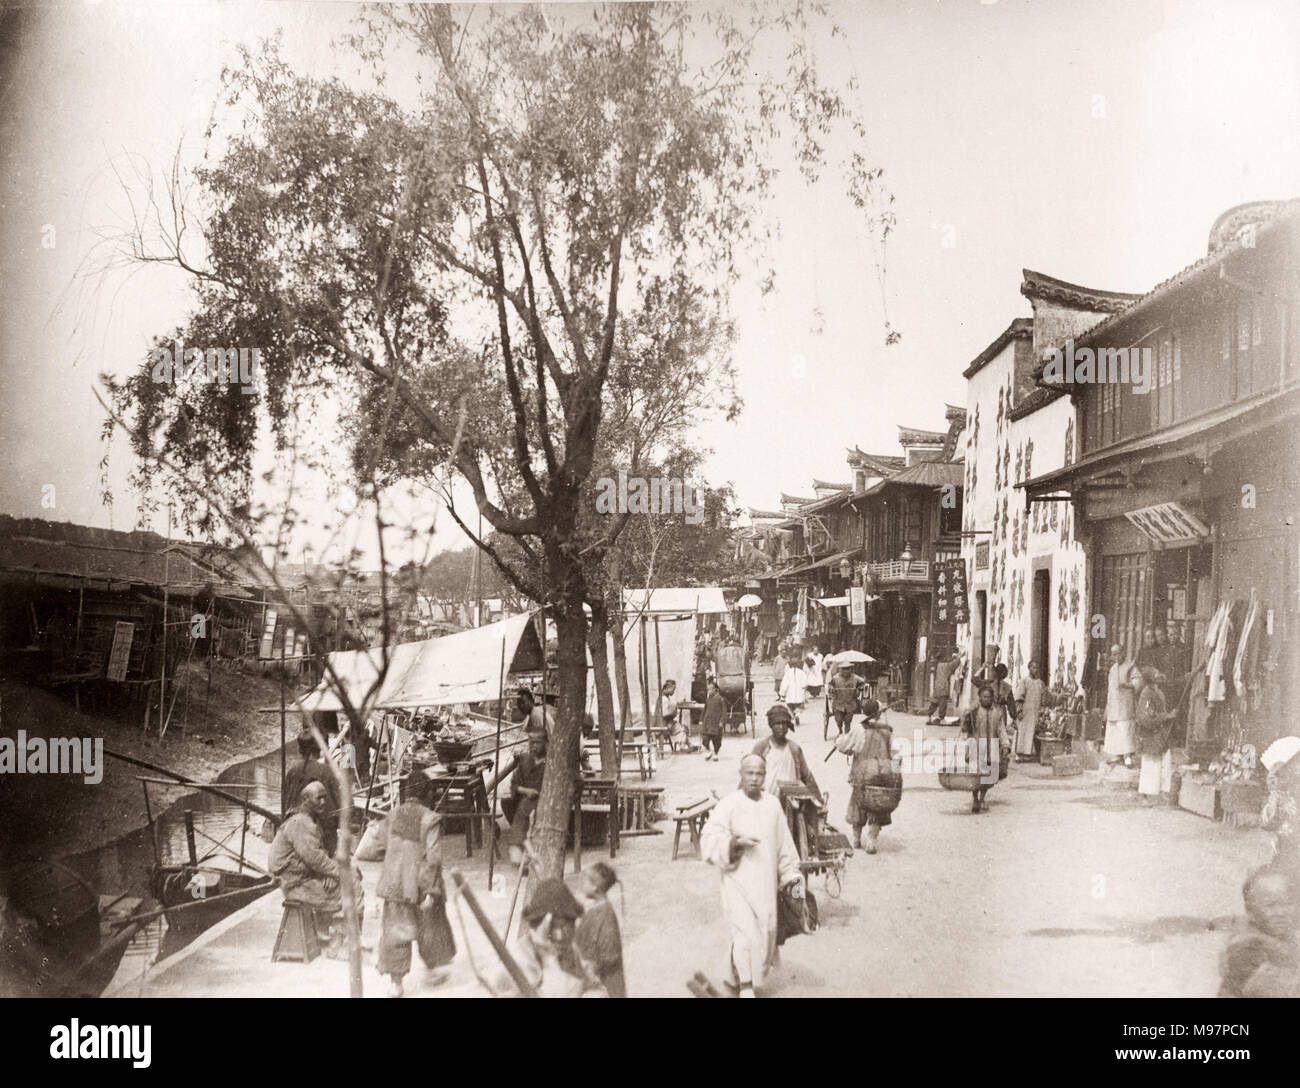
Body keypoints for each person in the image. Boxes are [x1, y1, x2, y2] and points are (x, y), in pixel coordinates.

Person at [699, 754, 804, 997]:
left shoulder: (772, 805)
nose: (755, 779)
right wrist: (733, 844)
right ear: (741, 774)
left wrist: (792, 877)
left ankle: (734, 977)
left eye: (759, 774)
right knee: (745, 935)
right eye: (750, 773)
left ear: (765, 776)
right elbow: (709, 838)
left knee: (765, 934)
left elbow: (785, 846)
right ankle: (746, 986)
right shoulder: (729, 804)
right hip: (737, 882)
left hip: (766, 884)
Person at [373, 779, 456, 997]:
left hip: (393, 885)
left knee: (395, 932)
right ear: (428, 794)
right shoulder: (430, 818)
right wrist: (430, 891)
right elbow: (433, 858)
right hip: (418, 884)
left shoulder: (392, 815)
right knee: (430, 926)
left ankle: (396, 985)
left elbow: (380, 841)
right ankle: (431, 970)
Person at [268, 781, 357, 955]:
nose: (324, 802)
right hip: (294, 884)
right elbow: (316, 859)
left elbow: (318, 856)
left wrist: (330, 874)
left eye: (325, 797)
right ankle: (336, 947)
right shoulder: (301, 822)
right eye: (319, 798)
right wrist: (341, 873)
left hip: (303, 878)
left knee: (343, 880)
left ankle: (329, 935)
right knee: (352, 888)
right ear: (305, 800)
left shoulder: (308, 819)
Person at [494, 878, 603, 997]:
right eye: (553, 928)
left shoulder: (571, 952)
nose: (560, 936)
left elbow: (592, 985)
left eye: (566, 927)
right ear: (538, 926)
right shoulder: (519, 960)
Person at [1218, 866, 1299, 998]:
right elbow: (1283, 991)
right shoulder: (1245, 948)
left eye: (1287, 904)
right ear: (1251, 912)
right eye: (1271, 905)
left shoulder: (1291, 940)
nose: (1281, 912)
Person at [833, 698, 899, 854]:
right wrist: (894, 775)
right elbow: (895, 754)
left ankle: (856, 839)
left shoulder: (858, 729)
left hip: (862, 773)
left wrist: (838, 742)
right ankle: (871, 841)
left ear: (864, 712)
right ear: (878, 713)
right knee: (876, 806)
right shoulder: (887, 730)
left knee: (858, 804)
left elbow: (845, 746)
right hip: (882, 774)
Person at [281, 731, 343, 855]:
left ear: (299, 749)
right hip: (322, 831)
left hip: (294, 827)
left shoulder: (292, 772)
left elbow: (284, 802)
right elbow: (338, 804)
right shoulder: (326, 771)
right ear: (318, 748)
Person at [575, 862, 626, 998]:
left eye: (585, 880)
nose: (581, 883)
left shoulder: (606, 914)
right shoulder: (595, 909)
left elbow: (610, 953)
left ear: (595, 886)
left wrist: (591, 969)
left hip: (605, 983)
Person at [960, 683, 1011, 813]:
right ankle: (975, 798)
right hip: (977, 748)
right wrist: (965, 718)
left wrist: (1005, 744)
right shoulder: (974, 712)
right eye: (984, 697)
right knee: (975, 775)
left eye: (989, 697)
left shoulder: (997, 713)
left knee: (988, 776)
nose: (987, 699)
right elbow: (965, 728)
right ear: (980, 698)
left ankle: (982, 798)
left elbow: (1001, 730)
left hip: (991, 748)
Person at [752, 703, 821, 799]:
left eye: (784, 724)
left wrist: (818, 801)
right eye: (777, 724)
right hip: (766, 800)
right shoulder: (761, 747)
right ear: (771, 725)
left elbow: (807, 777)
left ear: (788, 726)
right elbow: (749, 773)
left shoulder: (794, 749)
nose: (781, 727)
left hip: (791, 801)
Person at [502, 730, 548, 865]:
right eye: (531, 742)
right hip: (526, 797)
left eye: (537, 743)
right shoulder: (525, 759)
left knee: (524, 809)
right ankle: (521, 845)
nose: (533, 746)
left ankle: (519, 849)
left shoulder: (550, 761)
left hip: (543, 798)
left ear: (546, 743)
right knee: (507, 802)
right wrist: (526, 790)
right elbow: (514, 784)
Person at [1135, 668, 1177, 802]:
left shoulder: (1158, 691)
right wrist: (1166, 716)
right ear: (1151, 679)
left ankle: (1164, 792)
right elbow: (1145, 717)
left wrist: (1168, 715)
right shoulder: (1146, 694)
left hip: (1160, 733)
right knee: (1150, 764)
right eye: (1156, 674)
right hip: (1151, 734)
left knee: (1166, 761)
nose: (1159, 675)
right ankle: (1144, 796)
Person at [1261, 738, 1300, 879]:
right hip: (1287, 839)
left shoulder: (1283, 794)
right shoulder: (1281, 793)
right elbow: (1269, 823)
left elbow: (1269, 823)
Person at [1104, 644, 1140, 768]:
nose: (1115, 656)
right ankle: (1116, 755)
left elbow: (1138, 682)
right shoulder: (1113, 669)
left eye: (1117, 653)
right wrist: (1107, 707)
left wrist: (1127, 684)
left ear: (1123, 653)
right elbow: (1110, 689)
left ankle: (1127, 756)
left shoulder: (1130, 667)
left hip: (1125, 704)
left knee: (1125, 730)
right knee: (1114, 730)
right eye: (1113, 654)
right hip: (1114, 704)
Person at [1013, 660, 1046, 761]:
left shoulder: (1041, 683)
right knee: (1022, 732)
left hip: (1035, 712)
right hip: (1025, 712)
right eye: (1033, 667)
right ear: (1029, 668)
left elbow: (1045, 698)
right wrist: (1019, 711)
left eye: (1037, 668)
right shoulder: (1024, 681)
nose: (1035, 670)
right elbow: (1019, 697)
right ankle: (1019, 754)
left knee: (1031, 732)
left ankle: (1028, 754)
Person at [827, 661, 865, 735]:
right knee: (839, 720)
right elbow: (830, 685)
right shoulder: (835, 678)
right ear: (840, 669)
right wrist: (831, 689)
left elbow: (862, 683)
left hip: (850, 703)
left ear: (851, 669)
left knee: (848, 721)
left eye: (848, 669)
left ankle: (847, 734)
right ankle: (840, 730)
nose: (846, 671)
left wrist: (859, 689)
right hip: (838, 703)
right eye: (844, 669)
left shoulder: (855, 677)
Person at [927, 650, 961, 724]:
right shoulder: (945, 666)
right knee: (942, 704)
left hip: (937, 687)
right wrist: (959, 657)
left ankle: (929, 716)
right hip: (943, 687)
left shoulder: (938, 665)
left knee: (934, 703)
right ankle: (942, 718)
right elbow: (954, 663)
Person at [778, 654, 808, 726]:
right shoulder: (801, 672)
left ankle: (793, 715)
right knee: (799, 706)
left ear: (790, 665)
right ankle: (797, 714)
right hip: (799, 694)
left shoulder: (788, 673)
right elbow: (805, 683)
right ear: (797, 664)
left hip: (790, 695)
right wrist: (803, 689)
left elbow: (785, 684)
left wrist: (782, 693)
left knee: (790, 707)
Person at [700, 678, 726, 761]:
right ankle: (709, 751)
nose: (709, 691)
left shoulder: (720, 699)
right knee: (705, 739)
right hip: (707, 723)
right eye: (708, 689)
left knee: (716, 740)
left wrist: (722, 721)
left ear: (715, 690)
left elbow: (724, 712)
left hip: (716, 723)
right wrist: (701, 719)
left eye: (711, 689)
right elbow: (705, 709)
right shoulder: (708, 699)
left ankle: (715, 753)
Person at [656, 679, 686, 750]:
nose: (673, 691)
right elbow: (665, 713)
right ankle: (682, 745)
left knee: (678, 725)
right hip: (663, 723)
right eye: (673, 689)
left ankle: (687, 744)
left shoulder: (663, 697)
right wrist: (675, 707)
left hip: (663, 721)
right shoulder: (664, 699)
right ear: (668, 688)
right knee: (682, 728)